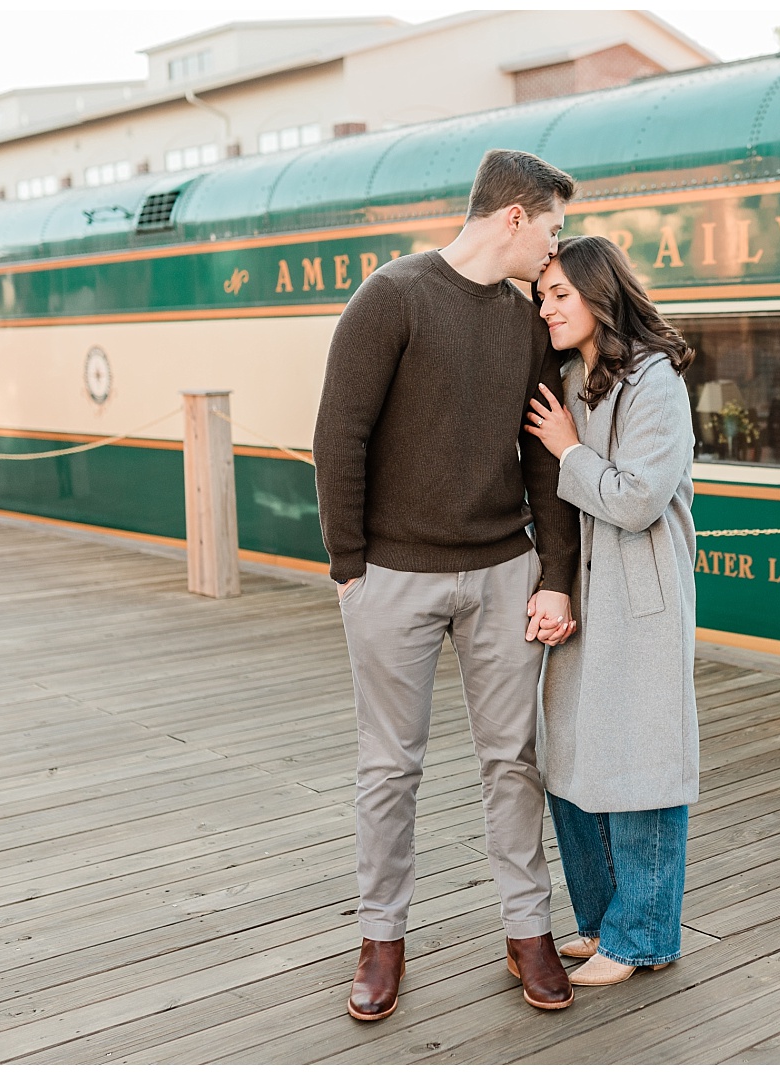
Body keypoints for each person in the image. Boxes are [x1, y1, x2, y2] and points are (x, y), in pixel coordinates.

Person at [313, 148, 583, 1021]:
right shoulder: (392, 296)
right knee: (390, 767)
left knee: (514, 760)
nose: (556, 249)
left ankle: (528, 931)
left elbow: (544, 459)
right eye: (552, 229)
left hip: (503, 571)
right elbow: (339, 435)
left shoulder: (526, 322)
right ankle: (381, 937)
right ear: (515, 217)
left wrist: (554, 574)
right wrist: (349, 568)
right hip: (392, 578)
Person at [524, 234, 698, 987]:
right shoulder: (569, 378)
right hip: (586, 596)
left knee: (642, 762)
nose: (546, 308)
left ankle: (644, 937)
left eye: (560, 294)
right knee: (570, 754)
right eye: (542, 296)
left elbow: (635, 499)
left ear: (600, 294)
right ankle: (600, 922)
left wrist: (568, 451)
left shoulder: (656, 382)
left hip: (641, 600)